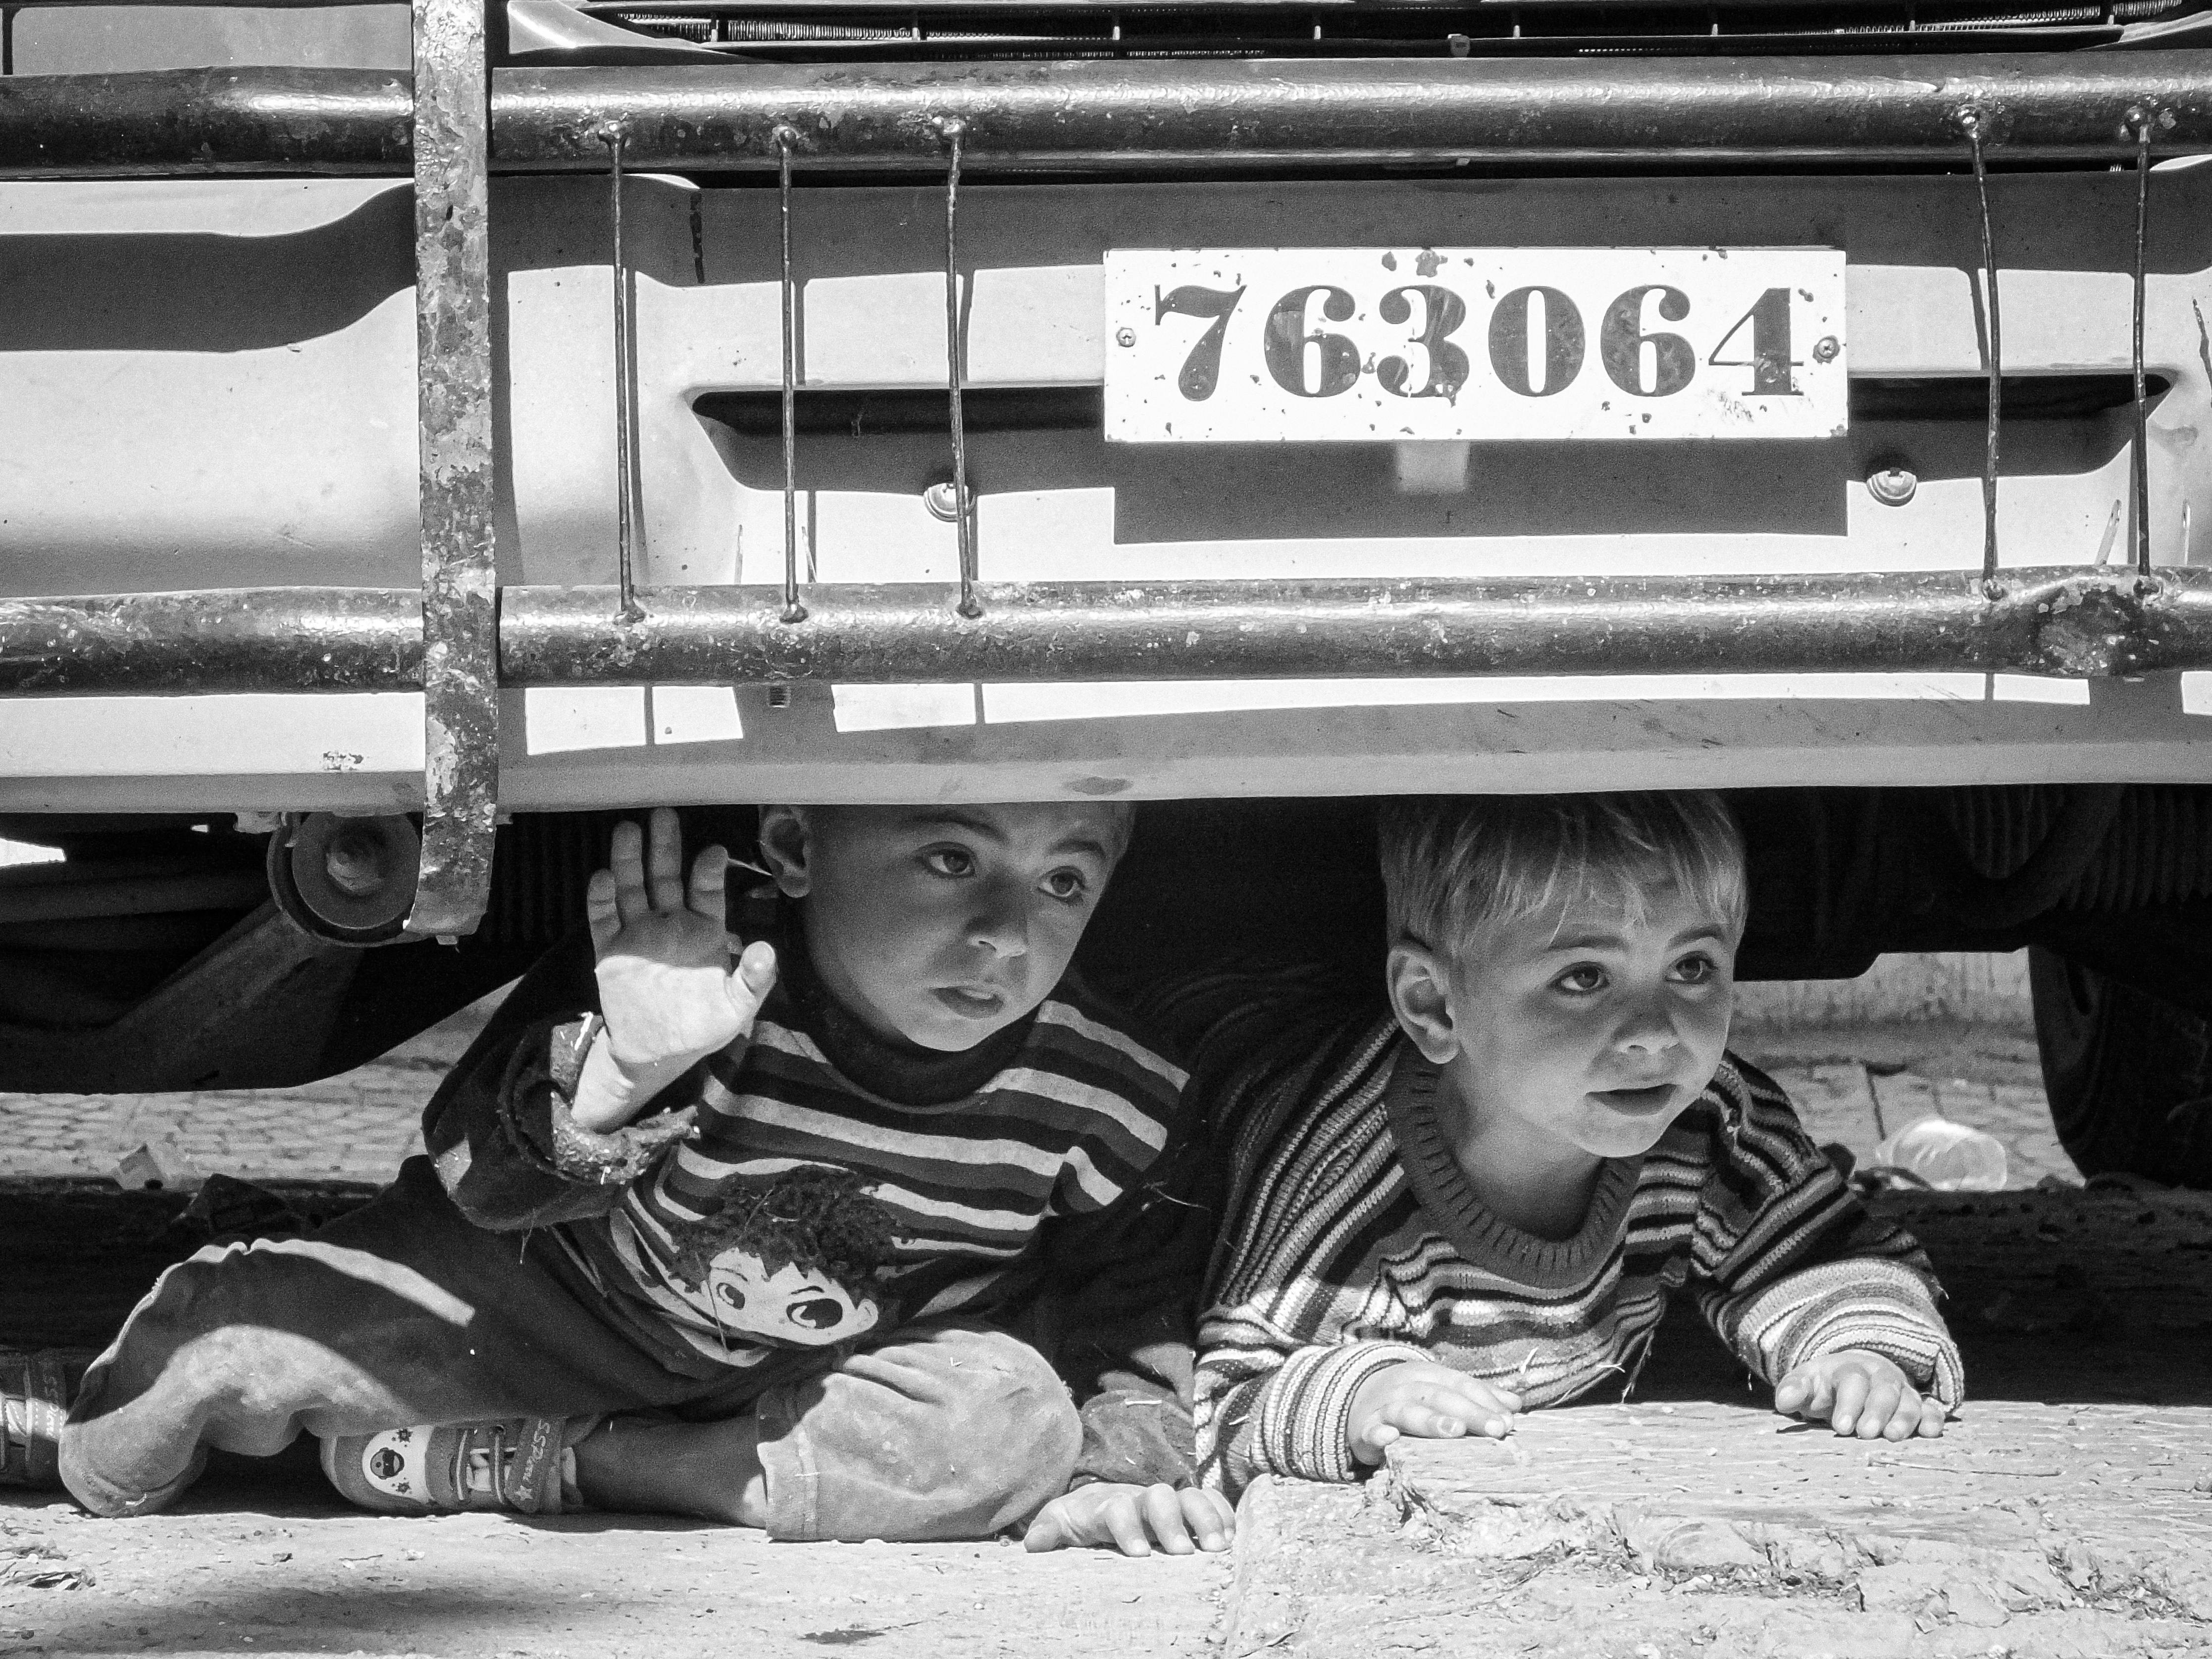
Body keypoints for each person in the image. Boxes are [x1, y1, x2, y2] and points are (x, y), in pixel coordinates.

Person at [21, 803, 1234, 1557]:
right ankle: (69, 1415)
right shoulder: (686, 972)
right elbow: (475, 1184)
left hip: (789, 1388)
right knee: (215, 1359)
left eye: (1064, 880)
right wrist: (625, 1067)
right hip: (533, 1305)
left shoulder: (1108, 1090)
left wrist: (1124, 1461)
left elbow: (1129, 1293)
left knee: (1007, 1418)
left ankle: (553, 1461)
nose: (1006, 933)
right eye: (949, 857)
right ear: (798, 845)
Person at [1186, 792, 1963, 1498]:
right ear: (1433, 1006)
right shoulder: (1349, 1181)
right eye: (1586, 977)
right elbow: (1230, 1400)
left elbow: (1833, 1256)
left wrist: (1862, 1351)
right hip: (1223, 1040)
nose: (1656, 1033)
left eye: (1692, 967)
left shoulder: (1710, 1120)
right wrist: (1363, 1394)